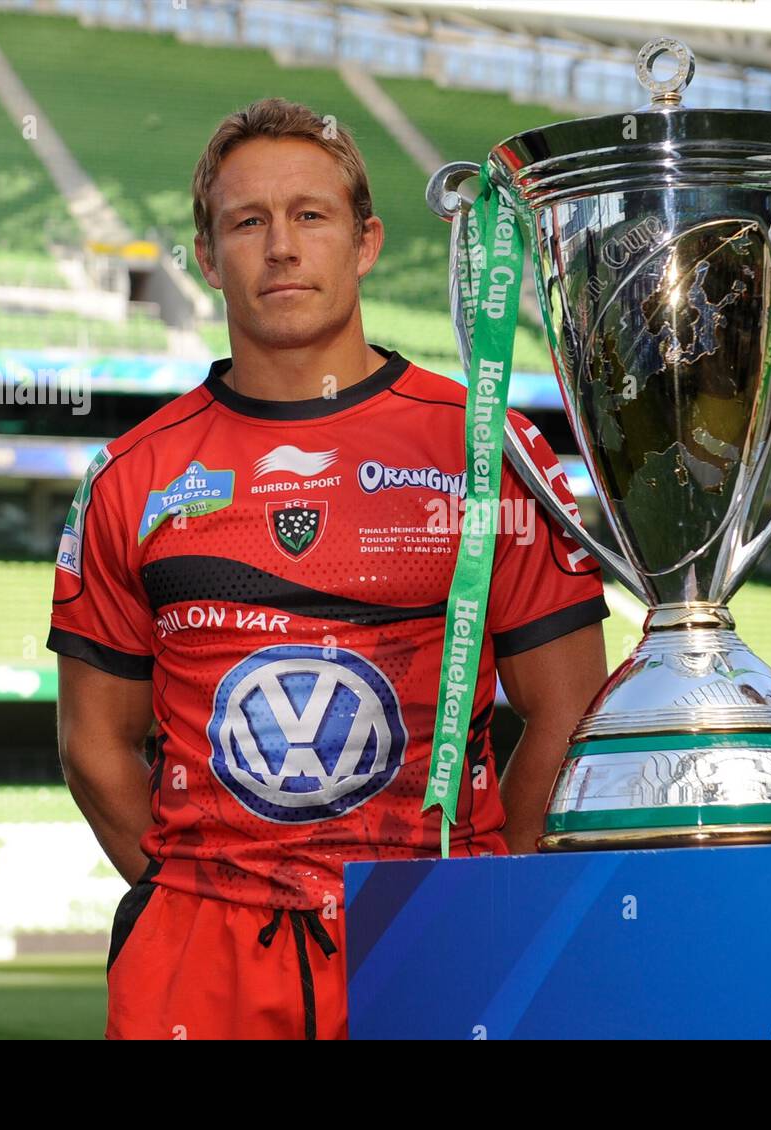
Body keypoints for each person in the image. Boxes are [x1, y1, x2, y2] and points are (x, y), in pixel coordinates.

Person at [49, 98, 609, 1040]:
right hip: (203, 964)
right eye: (247, 222)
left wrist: (482, 889)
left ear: (366, 242)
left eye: (310, 215)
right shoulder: (132, 476)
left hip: (440, 935)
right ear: (205, 255)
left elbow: (570, 715)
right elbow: (94, 746)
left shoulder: (487, 451)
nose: (281, 247)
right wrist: (202, 893)